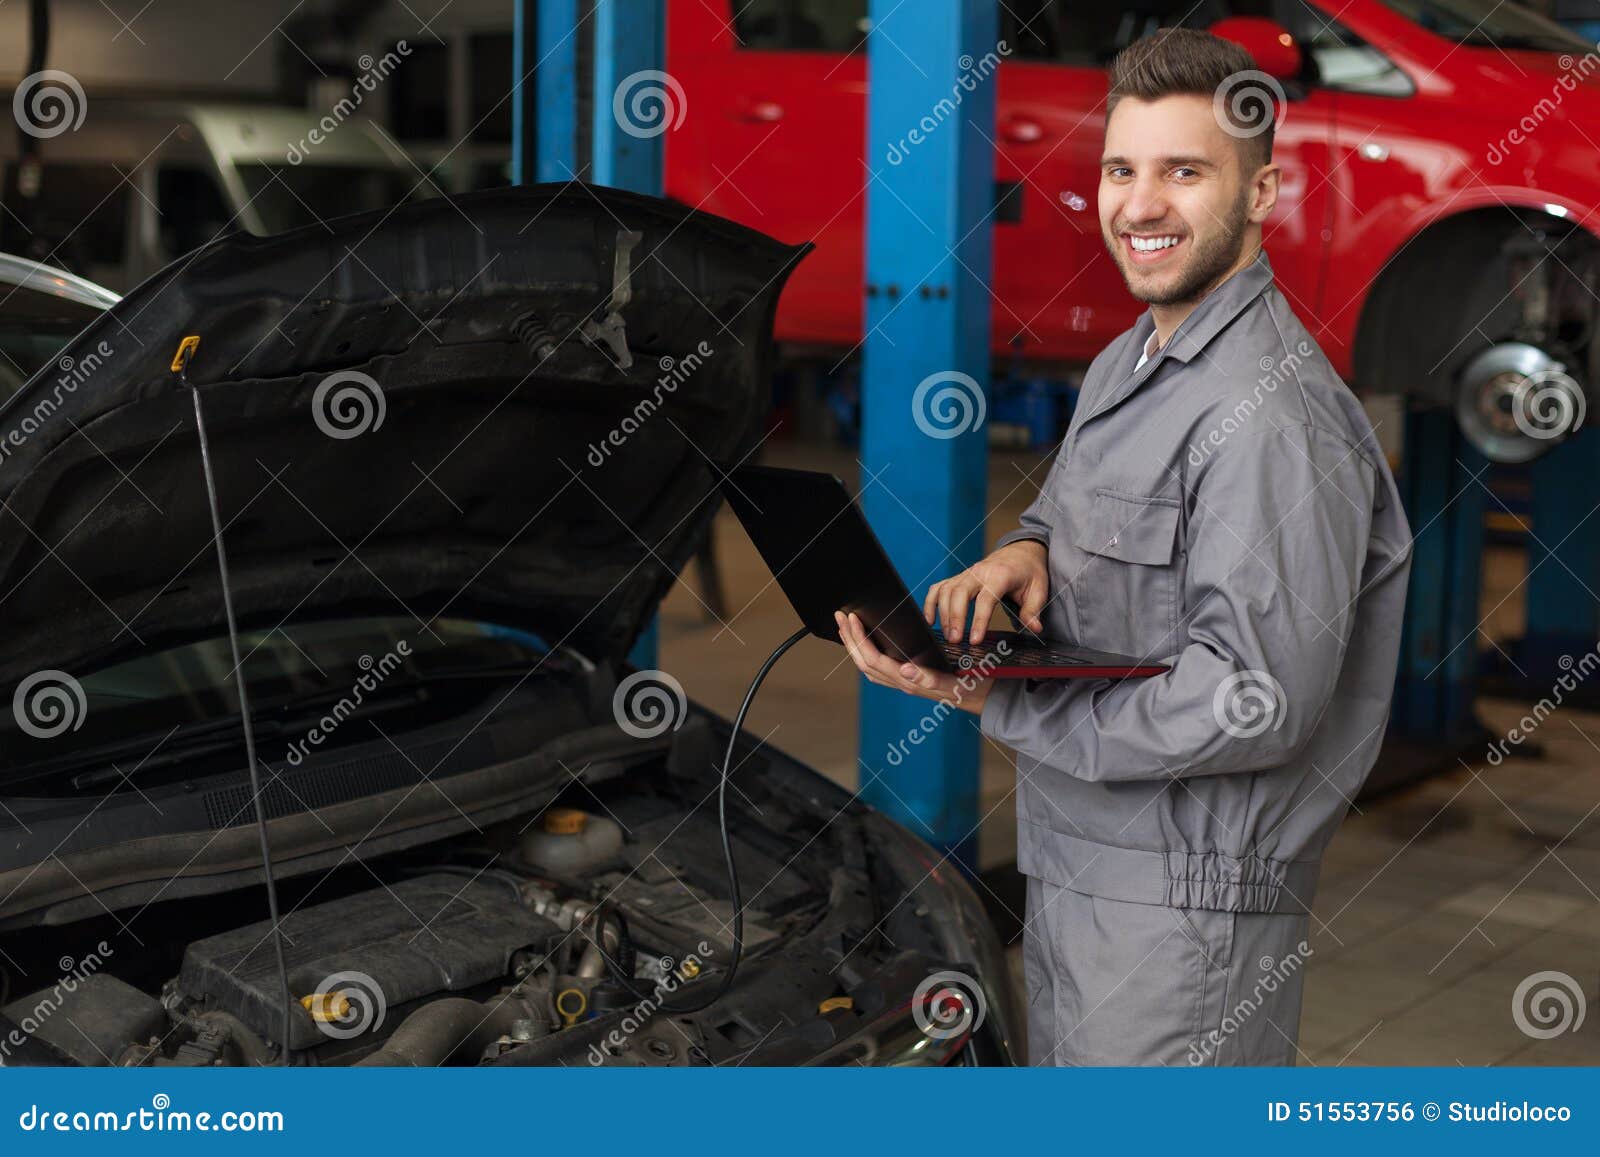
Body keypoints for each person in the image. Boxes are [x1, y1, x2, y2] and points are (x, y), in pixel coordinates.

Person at [835, 28, 1414, 1066]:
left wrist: (997, 697)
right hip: (1078, 871)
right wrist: (1023, 552)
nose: (1138, 204)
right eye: (1119, 169)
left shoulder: (1269, 415)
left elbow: (1255, 697)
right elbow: (1070, 519)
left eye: (1182, 172)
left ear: (1261, 191)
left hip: (1183, 918)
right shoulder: (1128, 361)